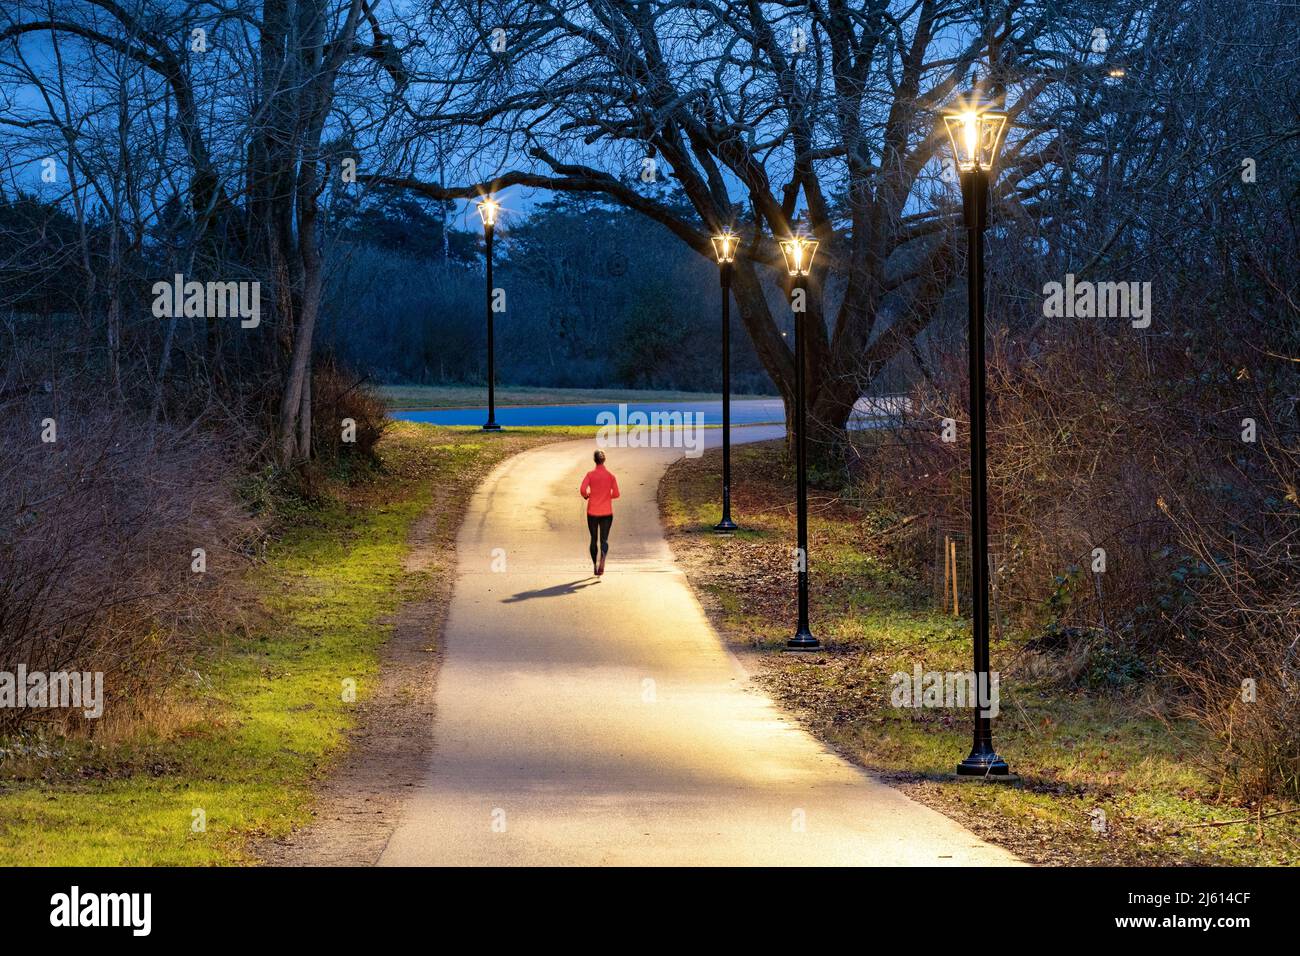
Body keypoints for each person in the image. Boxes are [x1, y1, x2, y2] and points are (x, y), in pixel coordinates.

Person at [580, 449, 620, 576]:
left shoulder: (590, 475)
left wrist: (587, 495)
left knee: (593, 539)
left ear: (595, 460)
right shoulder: (611, 476)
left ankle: (594, 565)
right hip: (607, 513)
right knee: (604, 540)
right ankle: (603, 559)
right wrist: (607, 496)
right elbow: (617, 494)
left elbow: (582, 489)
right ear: (604, 460)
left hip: (592, 512)